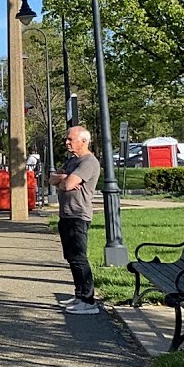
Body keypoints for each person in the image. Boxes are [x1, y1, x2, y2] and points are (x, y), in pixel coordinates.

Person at [49, 126, 102, 315]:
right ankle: (79, 296)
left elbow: (68, 184)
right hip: (66, 215)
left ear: (83, 141)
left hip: (78, 215)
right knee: (71, 258)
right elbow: (52, 179)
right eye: (67, 139)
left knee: (79, 258)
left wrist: (65, 182)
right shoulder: (72, 161)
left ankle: (89, 301)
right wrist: (64, 179)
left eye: (70, 139)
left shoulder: (88, 162)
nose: (67, 142)